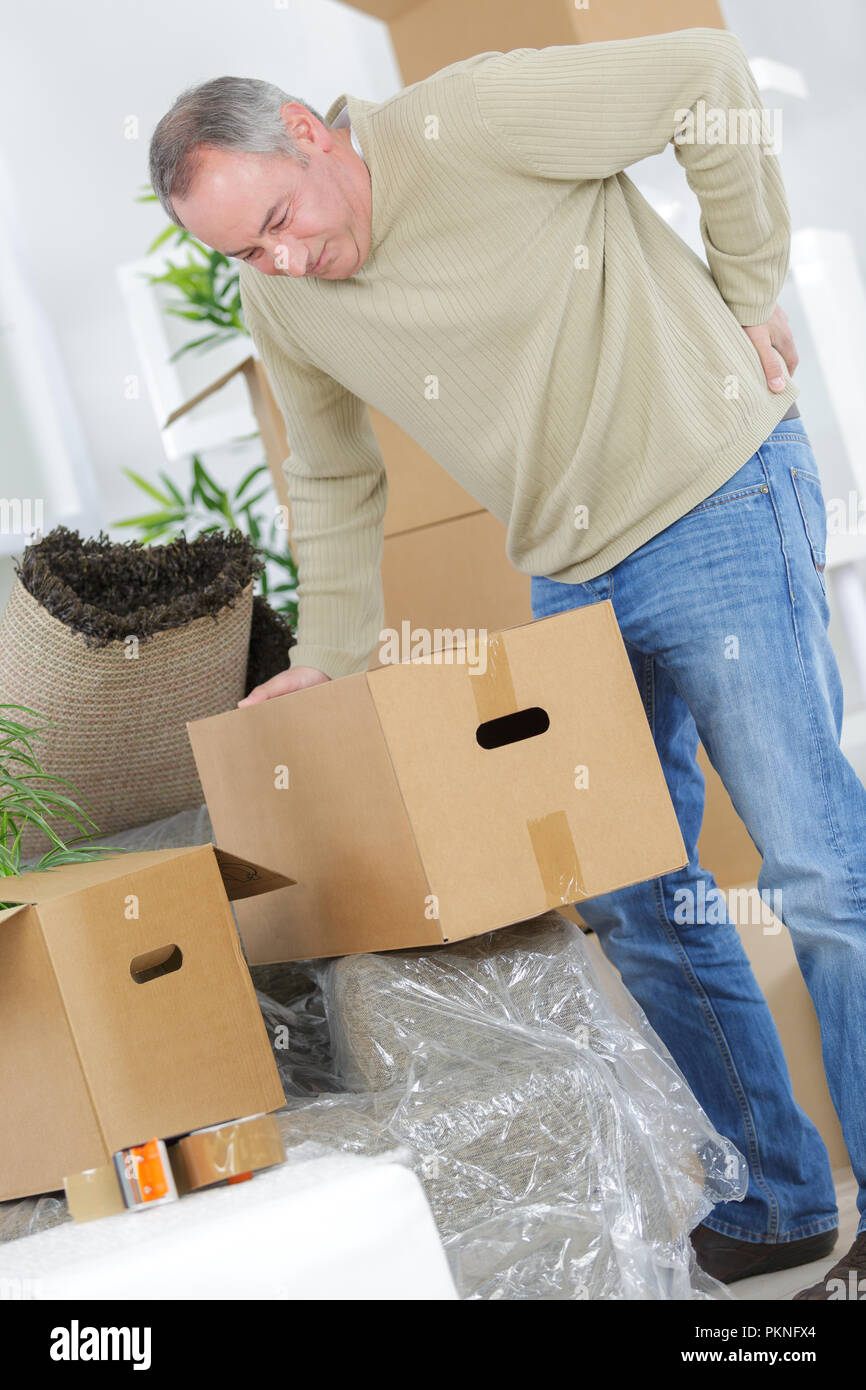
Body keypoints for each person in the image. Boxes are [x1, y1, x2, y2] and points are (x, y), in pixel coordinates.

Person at [148, 27, 866, 1297]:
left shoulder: (469, 122)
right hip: (569, 570)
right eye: (246, 252)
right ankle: (778, 1204)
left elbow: (703, 74)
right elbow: (329, 471)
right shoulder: (284, 293)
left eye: (280, 221)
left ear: (310, 136)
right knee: (639, 898)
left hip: (712, 497)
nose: (284, 258)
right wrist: (327, 655)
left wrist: (745, 284)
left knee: (815, 872)